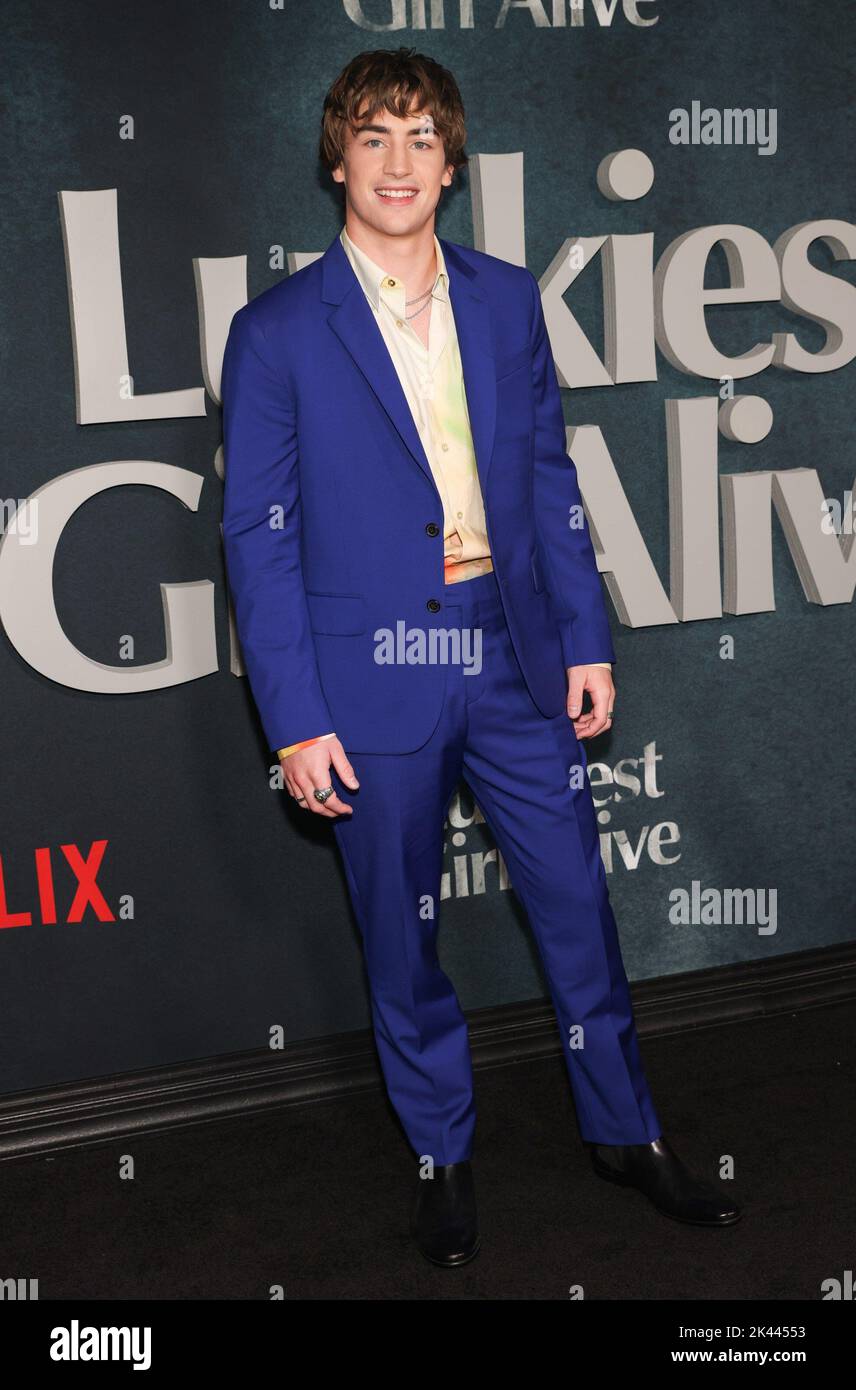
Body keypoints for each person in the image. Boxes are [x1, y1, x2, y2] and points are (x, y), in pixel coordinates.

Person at [221, 46, 741, 1268]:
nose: (396, 162)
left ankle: (624, 1131)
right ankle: (440, 1154)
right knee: (402, 944)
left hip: (511, 660)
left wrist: (586, 639)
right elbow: (256, 536)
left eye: (420, 139)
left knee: (579, 910)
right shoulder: (278, 332)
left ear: (451, 163)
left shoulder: (507, 300)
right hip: (367, 684)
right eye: (373, 136)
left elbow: (551, 479)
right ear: (335, 157)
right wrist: (295, 719)